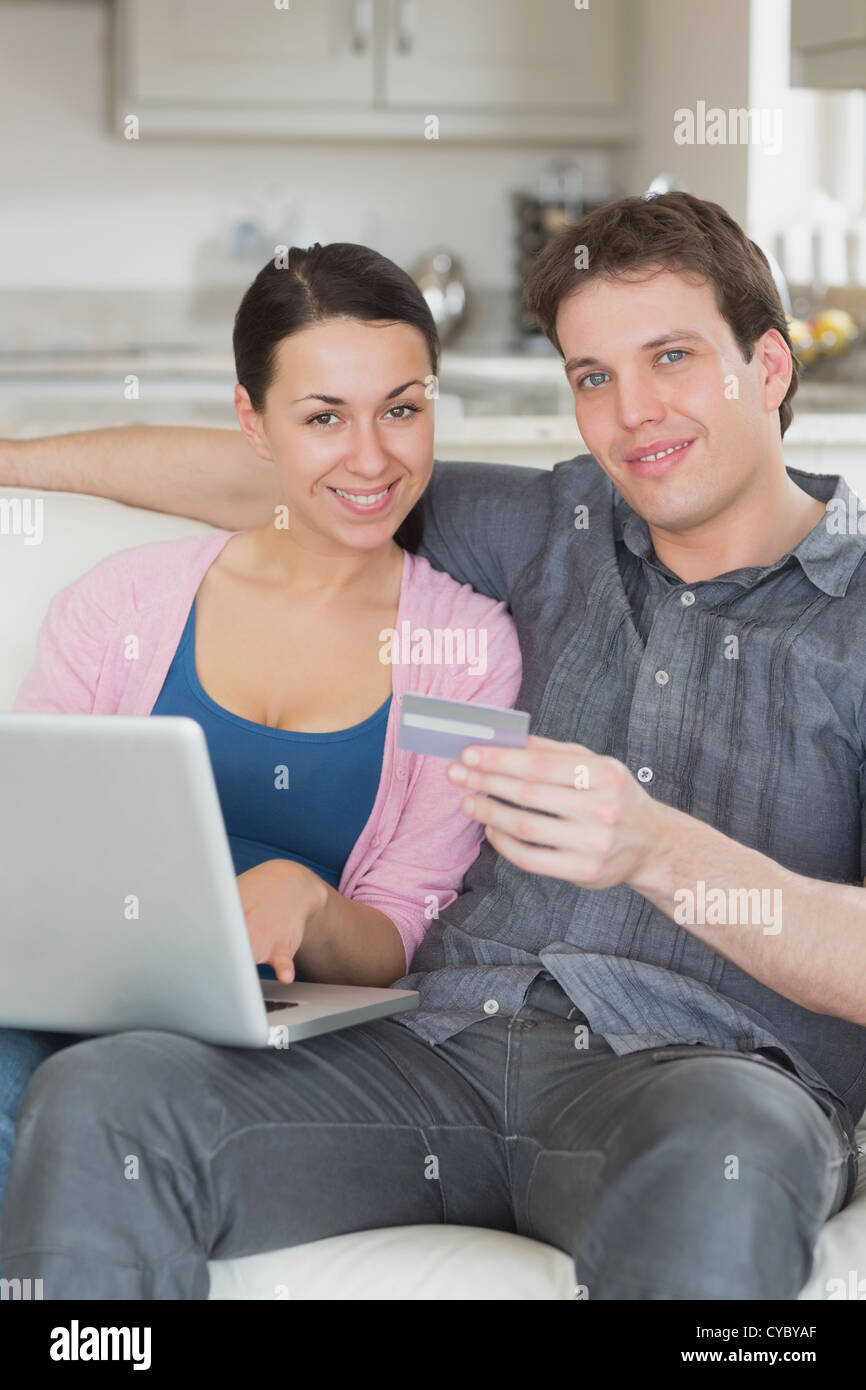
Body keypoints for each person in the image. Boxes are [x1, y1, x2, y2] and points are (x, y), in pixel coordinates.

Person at [2, 191, 863, 1301]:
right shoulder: (550, 527)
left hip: (697, 1084)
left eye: (670, 357)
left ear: (770, 367)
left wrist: (656, 850)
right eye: (592, 376)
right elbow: (296, 479)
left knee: (724, 1150)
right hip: (435, 1054)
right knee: (112, 1094)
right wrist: (14, 458)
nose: (633, 411)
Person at [0, 243, 522, 1221]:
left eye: (401, 409)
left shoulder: (470, 650)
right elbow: (27, 838)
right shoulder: (120, 603)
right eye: (323, 416)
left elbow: (404, 931)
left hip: (272, 1028)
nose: (371, 458)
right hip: (67, 995)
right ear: (252, 422)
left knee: (88, 1102)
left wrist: (313, 907)